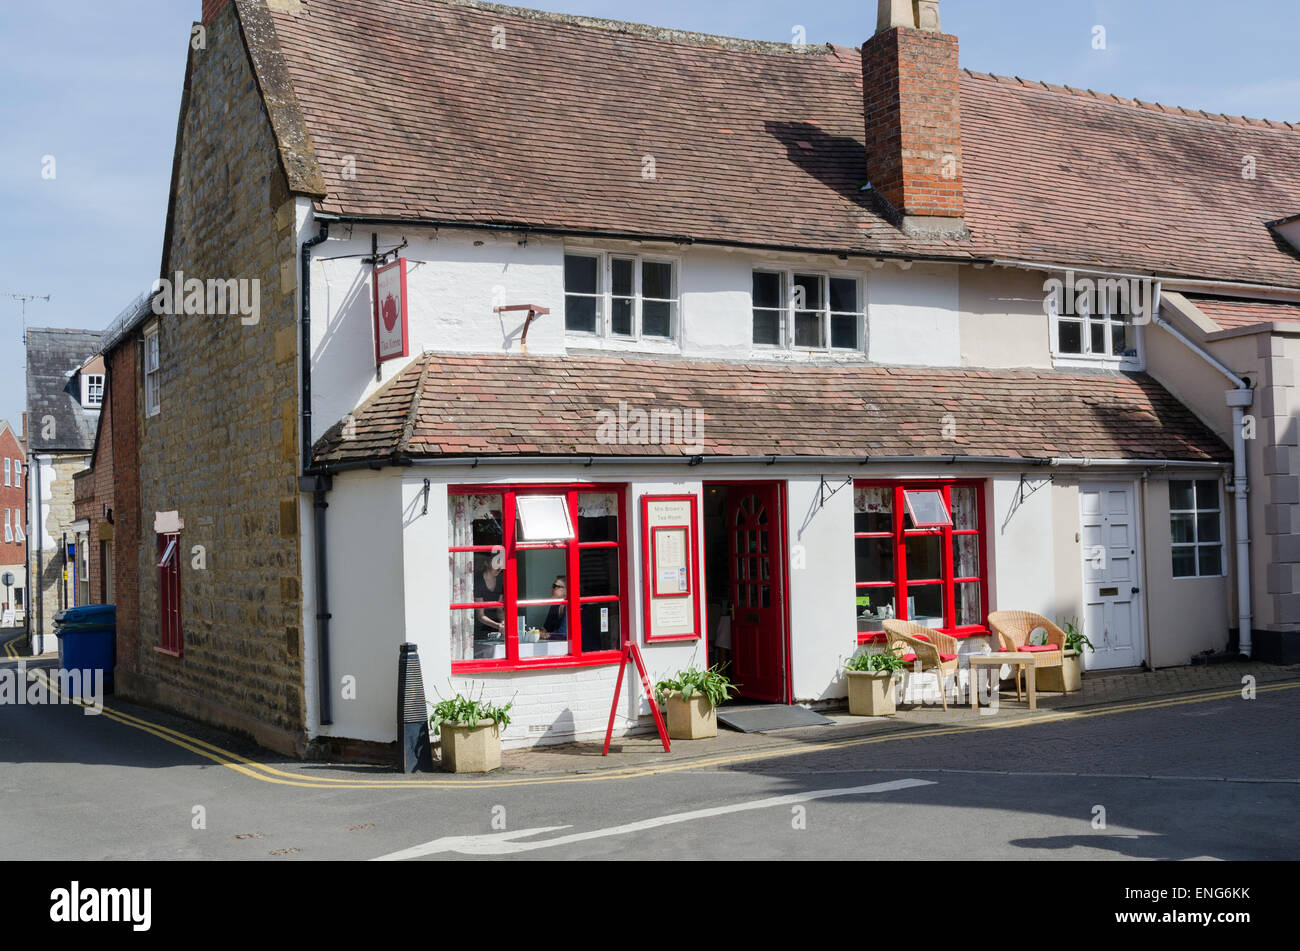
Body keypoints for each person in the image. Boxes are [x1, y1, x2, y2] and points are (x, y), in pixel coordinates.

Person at [473, 552, 506, 657]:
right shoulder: (478, 581)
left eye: (501, 566)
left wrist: (503, 622)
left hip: (496, 630)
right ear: (487, 563)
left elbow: (499, 609)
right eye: (496, 565)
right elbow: (480, 615)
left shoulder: (501, 579)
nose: (499, 569)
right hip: (479, 629)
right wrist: (498, 626)